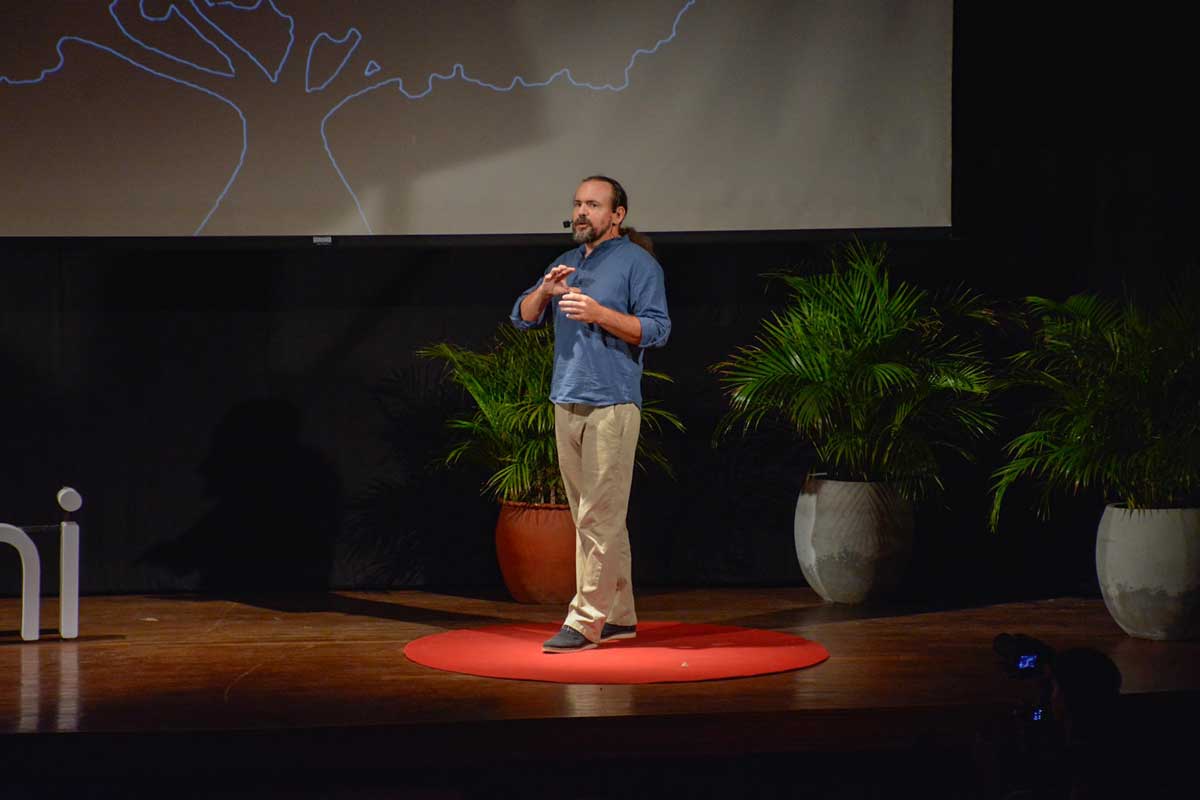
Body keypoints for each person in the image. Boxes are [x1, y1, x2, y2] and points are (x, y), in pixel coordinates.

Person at [511, 175, 671, 654]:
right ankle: (619, 616)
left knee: (598, 517)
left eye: (593, 205)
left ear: (617, 215)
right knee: (595, 519)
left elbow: (657, 330)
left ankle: (585, 621)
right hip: (567, 399)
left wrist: (600, 313)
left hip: (612, 404)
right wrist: (545, 290)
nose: (582, 212)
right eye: (578, 204)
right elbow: (522, 315)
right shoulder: (564, 264)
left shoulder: (637, 264)